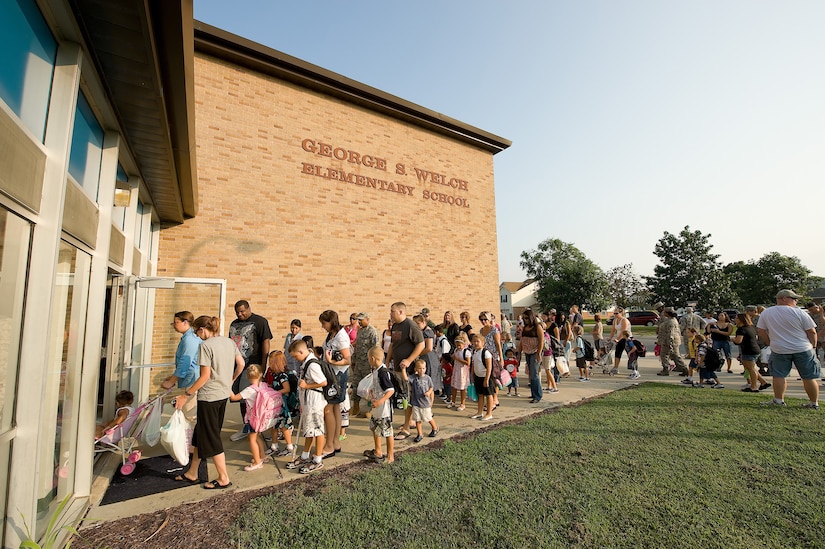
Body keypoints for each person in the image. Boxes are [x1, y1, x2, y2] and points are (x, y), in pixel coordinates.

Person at [174, 315, 244, 489]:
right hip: (222, 396)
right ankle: (192, 472)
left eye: (198, 332)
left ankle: (223, 478)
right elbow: (241, 364)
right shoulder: (229, 342)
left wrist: (186, 395)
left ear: (202, 329)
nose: (198, 336)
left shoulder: (205, 346)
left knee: (211, 437)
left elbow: (204, 376)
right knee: (201, 433)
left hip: (209, 398)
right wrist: (231, 381)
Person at [757, 289, 820, 409]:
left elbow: (761, 330)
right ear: (784, 298)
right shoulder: (800, 313)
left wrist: (770, 342)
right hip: (802, 348)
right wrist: (813, 345)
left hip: (779, 349)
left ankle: (779, 400)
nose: (796, 301)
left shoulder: (767, 312)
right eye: (794, 299)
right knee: (808, 377)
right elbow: (811, 331)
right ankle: (813, 403)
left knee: (779, 375)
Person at [229, 300, 273, 442]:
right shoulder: (234, 324)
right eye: (237, 312)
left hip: (252, 366)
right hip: (237, 366)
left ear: (248, 309)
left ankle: (256, 425)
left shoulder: (260, 322)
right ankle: (246, 425)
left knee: (251, 397)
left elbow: (266, 343)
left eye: (242, 311)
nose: (240, 314)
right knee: (241, 398)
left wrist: (263, 364)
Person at [286, 339, 327, 473]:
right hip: (308, 403)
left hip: (315, 403)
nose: (295, 359)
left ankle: (318, 459)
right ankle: (305, 455)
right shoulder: (306, 362)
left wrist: (307, 386)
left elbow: (323, 382)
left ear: (301, 351)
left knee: (317, 431)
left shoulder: (312, 365)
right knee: (310, 430)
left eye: (295, 356)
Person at [386, 302, 424, 440]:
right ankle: (408, 422)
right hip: (397, 367)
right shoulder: (396, 325)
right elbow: (393, 344)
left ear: (401, 312)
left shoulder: (411, 325)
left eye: (392, 311)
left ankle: (407, 428)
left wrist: (409, 360)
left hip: (409, 369)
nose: (390, 314)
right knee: (403, 396)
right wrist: (387, 360)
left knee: (408, 396)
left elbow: (421, 344)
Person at [319, 310, 351, 456]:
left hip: (338, 375)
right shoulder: (332, 335)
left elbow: (347, 359)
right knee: (336, 407)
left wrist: (331, 361)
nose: (322, 326)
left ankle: (329, 444)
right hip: (332, 374)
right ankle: (335, 442)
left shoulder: (341, 337)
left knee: (328, 409)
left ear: (331, 322)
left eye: (324, 323)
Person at [161, 311, 201, 424]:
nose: (174, 325)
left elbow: (186, 362)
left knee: (190, 414)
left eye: (176, 322)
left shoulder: (190, 338)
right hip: (190, 378)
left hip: (193, 379)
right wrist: (172, 377)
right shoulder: (187, 337)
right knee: (188, 413)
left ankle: (190, 440)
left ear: (185, 322)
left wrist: (172, 381)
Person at [228, 364, 271, 471]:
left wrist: (228, 386)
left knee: (251, 439)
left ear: (247, 376)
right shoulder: (264, 385)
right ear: (260, 374)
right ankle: (262, 456)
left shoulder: (249, 390)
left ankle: (257, 462)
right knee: (257, 437)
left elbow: (234, 397)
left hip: (253, 418)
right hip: (262, 417)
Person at [364, 346, 395, 464]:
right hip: (376, 408)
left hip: (384, 409)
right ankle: (378, 451)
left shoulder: (383, 372)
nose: (368, 361)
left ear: (372, 358)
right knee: (375, 428)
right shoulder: (376, 370)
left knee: (387, 432)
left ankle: (390, 456)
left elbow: (390, 390)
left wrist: (380, 401)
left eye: (368, 359)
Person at [263, 350, 296, 458]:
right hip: (276, 405)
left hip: (282, 405)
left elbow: (286, 389)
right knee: (274, 425)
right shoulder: (275, 374)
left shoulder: (282, 375)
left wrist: (274, 392)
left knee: (284, 426)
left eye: (271, 362)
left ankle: (289, 447)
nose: (269, 364)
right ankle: (274, 445)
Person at [351, 312, 380, 418]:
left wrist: (375, 365)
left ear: (367, 319)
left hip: (368, 365)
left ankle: (369, 410)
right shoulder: (360, 331)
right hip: (359, 363)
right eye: (358, 320)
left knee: (368, 389)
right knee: (356, 386)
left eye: (361, 320)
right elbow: (357, 347)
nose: (359, 322)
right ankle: (356, 408)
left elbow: (375, 349)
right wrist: (353, 361)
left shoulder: (373, 332)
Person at [733, 314, 771, 393]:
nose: (735, 319)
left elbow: (738, 341)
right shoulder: (751, 328)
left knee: (751, 369)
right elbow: (756, 337)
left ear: (742, 320)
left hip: (748, 350)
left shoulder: (741, 329)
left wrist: (732, 339)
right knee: (750, 368)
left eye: (737, 318)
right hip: (755, 349)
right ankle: (763, 382)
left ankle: (754, 387)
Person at [517, 309, 544, 404]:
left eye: (527, 318)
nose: (525, 319)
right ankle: (533, 393)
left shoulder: (537, 327)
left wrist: (539, 353)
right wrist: (519, 352)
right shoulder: (525, 327)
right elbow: (522, 340)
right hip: (527, 352)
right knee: (530, 374)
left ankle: (538, 395)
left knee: (534, 374)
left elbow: (541, 341)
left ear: (531, 317)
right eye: (524, 318)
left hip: (535, 352)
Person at [479, 311, 504, 408]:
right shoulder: (481, 330)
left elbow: (498, 344)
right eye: (481, 319)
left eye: (485, 319)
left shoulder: (494, 330)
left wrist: (501, 358)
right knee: (487, 377)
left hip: (494, 356)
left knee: (494, 377)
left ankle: (494, 398)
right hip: (485, 355)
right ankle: (491, 398)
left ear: (489, 319)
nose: (483, 321)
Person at [409, 359, 439, 442]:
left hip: (425, 403)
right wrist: (404, 369)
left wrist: (429, 392)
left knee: (428, 418)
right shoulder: (414, 378)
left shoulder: (427, 378)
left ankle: (435, 428)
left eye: (423, 368)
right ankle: (420, 434)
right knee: (417, 419)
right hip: (416, 403)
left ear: (425, 369)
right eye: (419, 368)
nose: (421, 370)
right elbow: (405, 378)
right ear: (415, 369)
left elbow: (431, 387)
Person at [470, 334, 494, 421]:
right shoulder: (474, 352)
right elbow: (473, 364)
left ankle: (489, 413)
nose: (476, 343)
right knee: (480, 395)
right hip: (478, 377)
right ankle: (479, 412)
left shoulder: (486, 353)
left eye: (478, 342)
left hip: (485, 377)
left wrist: (487, 379)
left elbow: (489, 367)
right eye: (474, 342)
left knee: (488, 395)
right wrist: (472, 375)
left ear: (483, 343)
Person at [657, 309, 688, 376]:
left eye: (665, 312)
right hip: (668, 341)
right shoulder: (670, 320)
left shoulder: (671, 322)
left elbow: (671, 333)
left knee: (666, 355)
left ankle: (666, 370)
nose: (663, 313)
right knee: (675, 355)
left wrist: (670, 343)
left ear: (668, 313)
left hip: (668, 341)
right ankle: (683, 369)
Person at [449, 334, 472, 411]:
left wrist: (458, 359)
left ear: (464, 344)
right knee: (454, 387)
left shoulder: (466, 352)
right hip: (456, 370)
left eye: (459, 345)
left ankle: (463, 403)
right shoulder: (456, 350)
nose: (458, 347)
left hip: (463, 372)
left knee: (462, 388)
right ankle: (453, 401)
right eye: (457, 345)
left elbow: (468, 363)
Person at [609, 308, 632, 374]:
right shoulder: (615, 320)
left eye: (617, 313)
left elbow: (623, 331)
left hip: (627, 338)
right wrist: (610, 337)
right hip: (619, 339)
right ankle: (615, 368)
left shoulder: (624, 320)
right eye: (614, 313)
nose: (615, 315)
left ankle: (634, 369)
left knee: (630, 353)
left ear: (621, 313)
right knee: (617, 353)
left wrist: (618, 339)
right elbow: (613, 330)